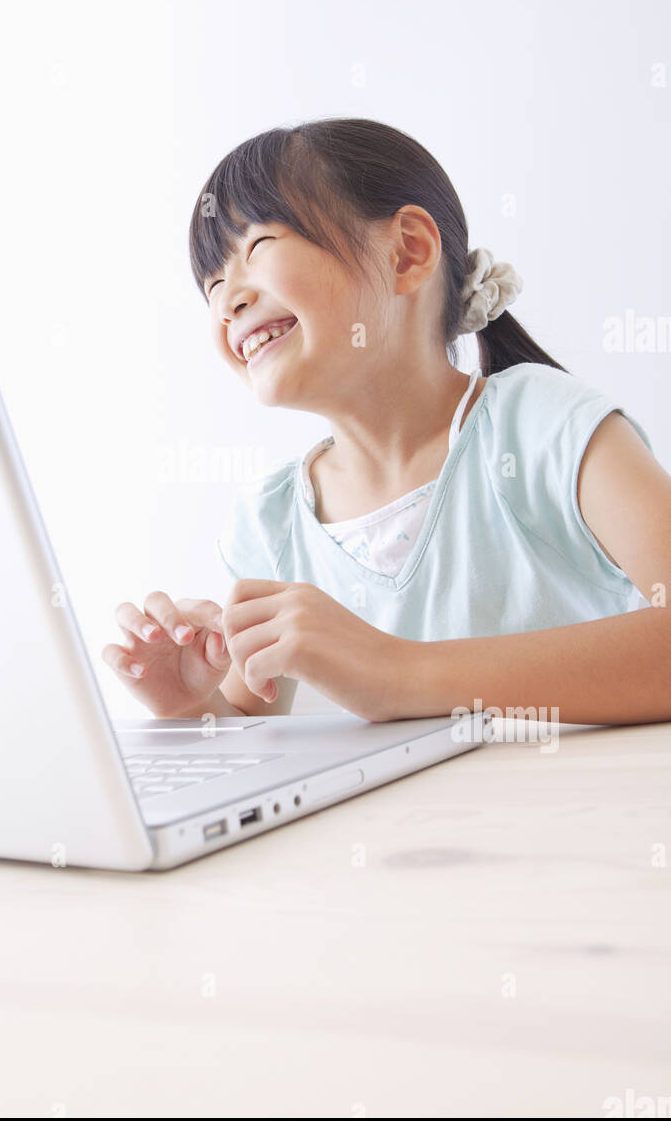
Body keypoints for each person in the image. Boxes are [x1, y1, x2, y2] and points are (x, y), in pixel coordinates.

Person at [102, 118, 671, 725]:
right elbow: (253, 732)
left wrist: (396, 672)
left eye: (258, 248)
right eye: (212, 285)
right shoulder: (268, 525)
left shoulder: (549, 429)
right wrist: (194, 705)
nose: (226, 302)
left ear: (408, 252)